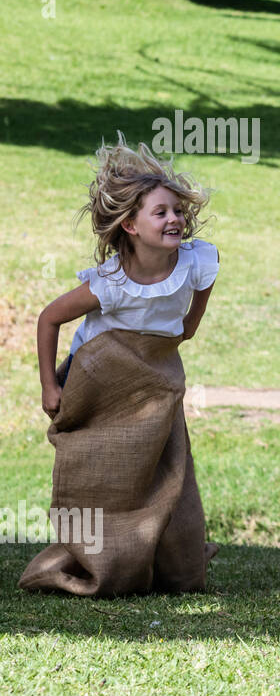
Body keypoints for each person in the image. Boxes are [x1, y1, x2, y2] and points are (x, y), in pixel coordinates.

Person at [22, 136, 219, 596]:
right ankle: (96, 557)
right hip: (97, 378)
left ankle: (167, 558)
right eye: (160, 212)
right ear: (130, 225)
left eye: (177, 210)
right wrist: (50, 386)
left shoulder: (197, 262)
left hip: (151, 377)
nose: (174, 219)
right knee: (102, 470)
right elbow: (49, 318)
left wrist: (173, 339)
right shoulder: (110, 284)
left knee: (161, 465)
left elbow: (188, 323)